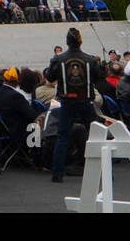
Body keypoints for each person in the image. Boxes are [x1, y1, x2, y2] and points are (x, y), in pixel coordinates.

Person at [44, 27, 105, 183]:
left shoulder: (58, 59)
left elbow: (50, 77)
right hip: (85, 100)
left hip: (67, 101)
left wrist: (48, 70)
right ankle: (105, 173)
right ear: (80, 41)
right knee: (96, 136)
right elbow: (98, 77)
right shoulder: (90, 59)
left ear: (67, 42)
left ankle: (57, 173)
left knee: (63, 136)